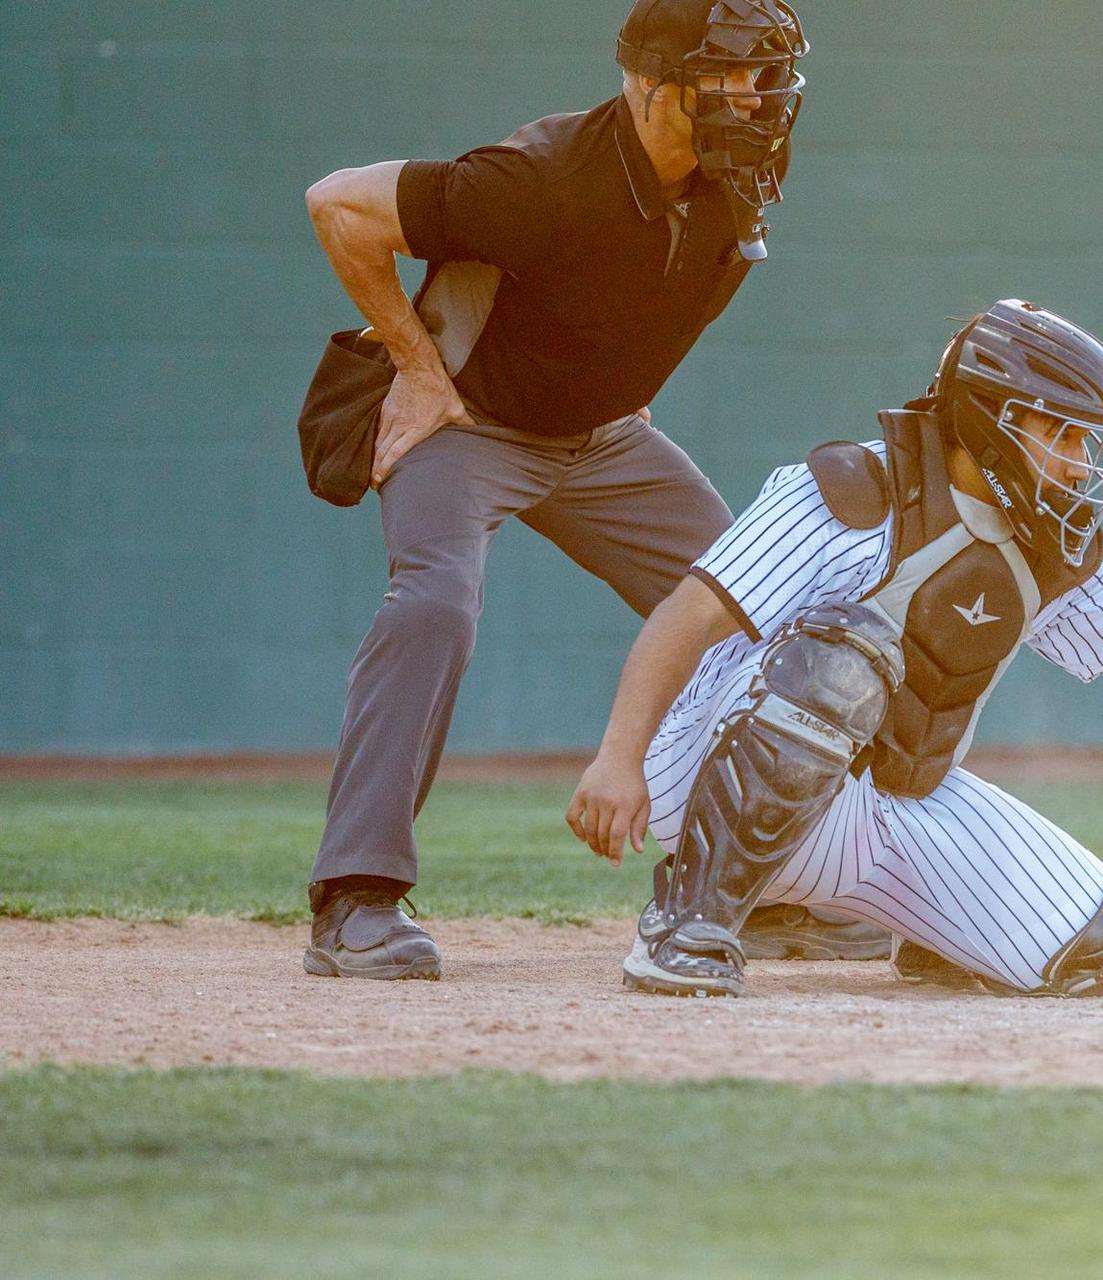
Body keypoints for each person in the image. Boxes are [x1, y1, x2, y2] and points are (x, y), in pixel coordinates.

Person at [298, 0, 862, 981]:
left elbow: (651, 287)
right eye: (730, 76)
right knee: (433, 603)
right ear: (649, 88)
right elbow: (337, 203)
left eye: (767, 76)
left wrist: (621, 389)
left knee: (757, 609)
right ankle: (354, 898)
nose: (758, 98)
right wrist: (415, 366)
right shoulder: (544, 181)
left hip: (600, 439)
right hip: (467, 421)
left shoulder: (741, 174)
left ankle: (755, 886)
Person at [566, 300, 1103, 997]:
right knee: (844, 660)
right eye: (1064, 434)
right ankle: (690, 922)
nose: (1082, 466)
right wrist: (618, 760)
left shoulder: (1050, 543)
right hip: (697, 771)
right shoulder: (854, 492)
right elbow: (684, 618)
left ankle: (864, 920)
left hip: (881, 802)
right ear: (994, 420)